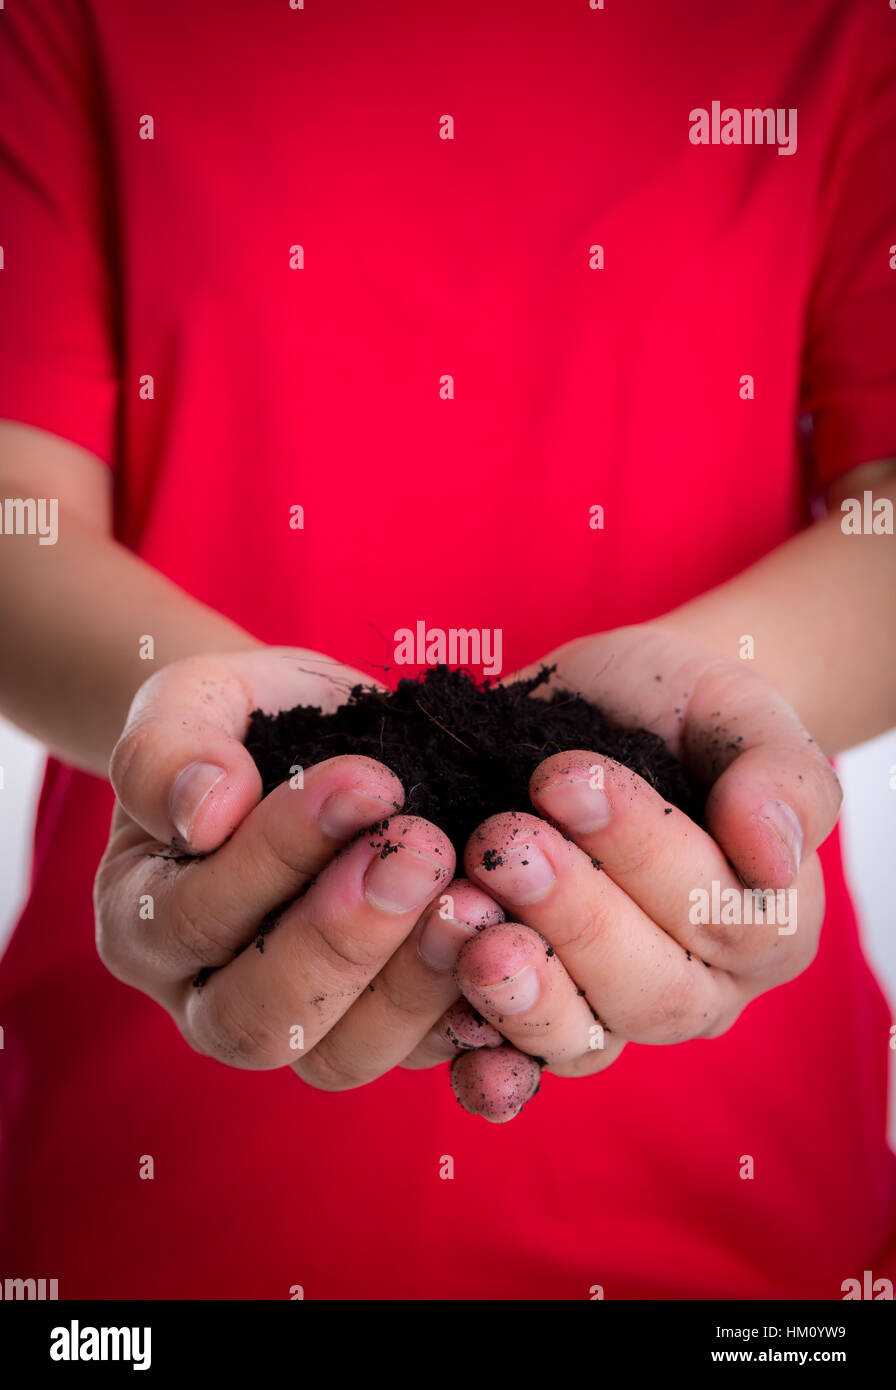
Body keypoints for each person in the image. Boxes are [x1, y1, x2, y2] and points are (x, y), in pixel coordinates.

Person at [0, 0, 894, 1300]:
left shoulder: (839, 26)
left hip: (738, 1216)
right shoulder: (67, 20)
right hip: (164, 1206)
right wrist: (218, 746)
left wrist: (699, 738)